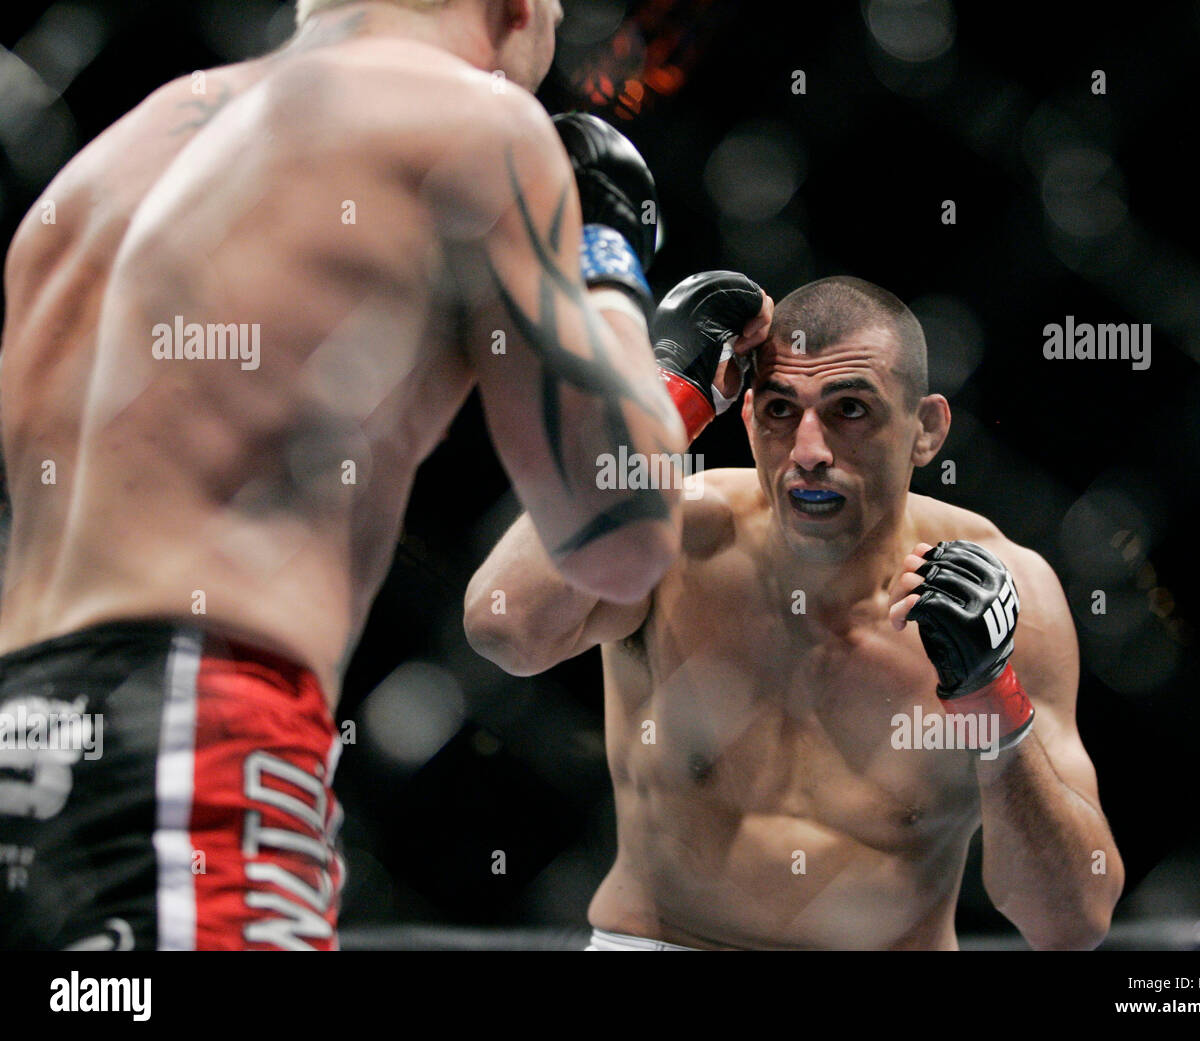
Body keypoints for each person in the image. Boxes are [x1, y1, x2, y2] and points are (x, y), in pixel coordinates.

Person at [0, 0, 719, 950]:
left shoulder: (103, 167)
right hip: (192, 742)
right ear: (517, 8)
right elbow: (621, 535)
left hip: (21, 738)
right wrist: (611, 265)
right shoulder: (478, 123)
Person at [464, 275, 1125, 950]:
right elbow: (504, 628)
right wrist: (659, 412)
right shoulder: (679, 531)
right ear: (747, 420)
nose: (809, 451)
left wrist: (991, 698)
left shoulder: (1009, 588)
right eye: (782, 410)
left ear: (925, 429)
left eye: (850, 410)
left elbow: (1071, 921)